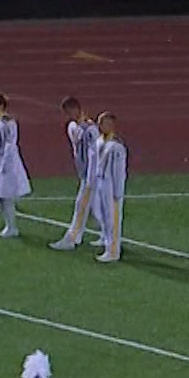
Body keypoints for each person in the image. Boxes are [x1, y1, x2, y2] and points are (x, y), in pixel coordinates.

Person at [49, 96, 105, 252]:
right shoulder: (73, 127)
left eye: (69, 111)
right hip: (84, 173)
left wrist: (92, 176)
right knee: (95, 208)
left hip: (91, 175)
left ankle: (72, 239)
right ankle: (109, 236)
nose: (68, 115)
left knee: (81, 206)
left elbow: (97, 153)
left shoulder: (90, 129)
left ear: (76, 109)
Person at [0, 92, 31, 239]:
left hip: (9, 162)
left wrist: (5, 164)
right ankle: (9, 225)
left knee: (4, 195)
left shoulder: (9, 122)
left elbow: (10, 144)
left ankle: (11, 227)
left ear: (1, 105)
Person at [92, 112, 127, 263]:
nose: (100, 126)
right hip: (100, 182)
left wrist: (117, 192)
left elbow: (119, 171)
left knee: (112, 218)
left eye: (104, 123)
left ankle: (113, 251)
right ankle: (106, 241)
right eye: (100, 123)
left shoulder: (116, 146)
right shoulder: (100, 141)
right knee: (103, 215)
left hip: (110, 185)